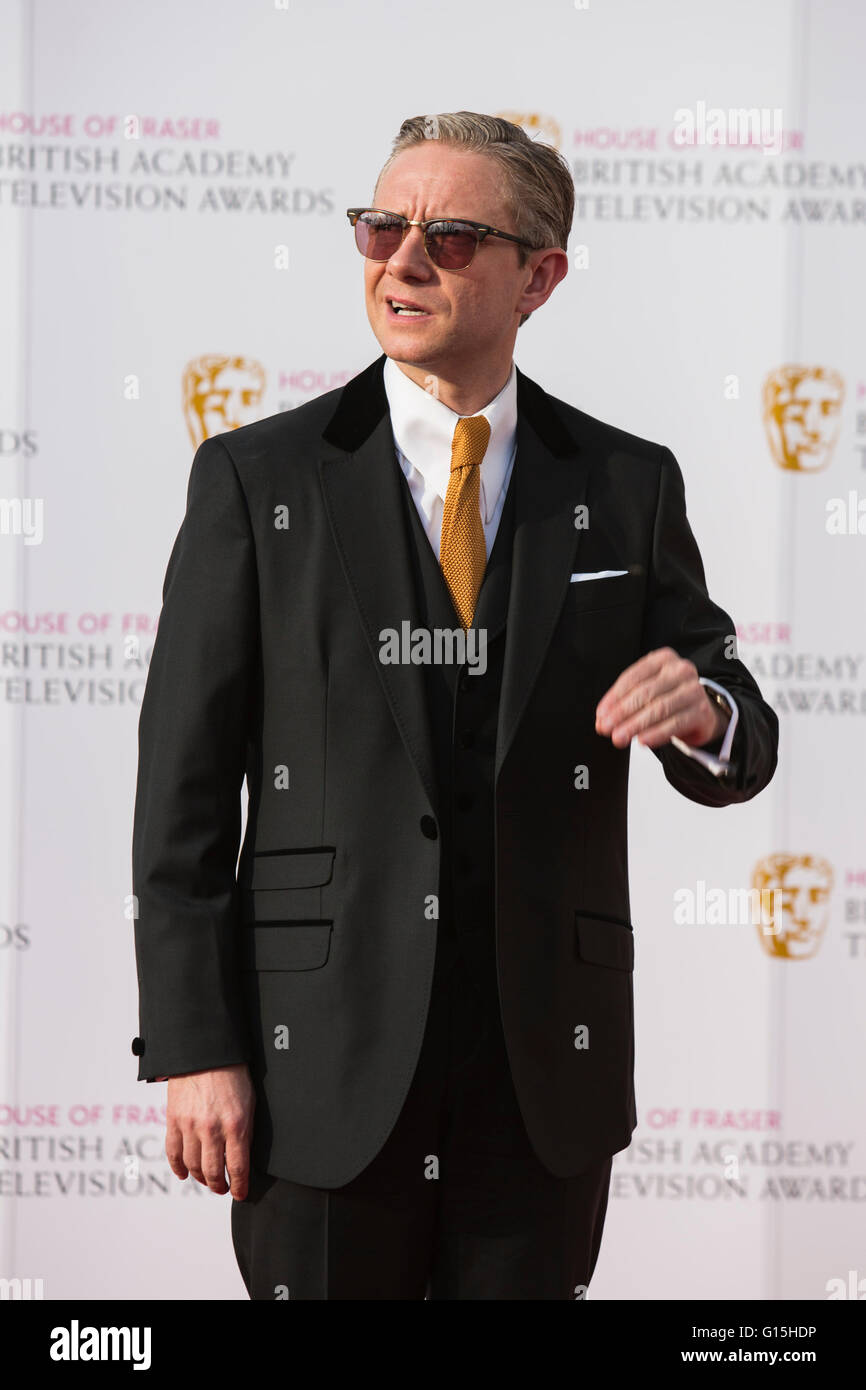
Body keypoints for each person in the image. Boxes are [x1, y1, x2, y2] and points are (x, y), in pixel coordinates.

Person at [131, 111, 779, 1300]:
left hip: (540, 1084)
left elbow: (735, 716)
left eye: (453, 234)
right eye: (383, 226)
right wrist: (194, 1046)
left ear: (540, 276)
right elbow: (179, 799)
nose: (403, 258)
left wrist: (705, 711)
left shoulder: (625, 483)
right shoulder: (257, 479)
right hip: (315, 1073)